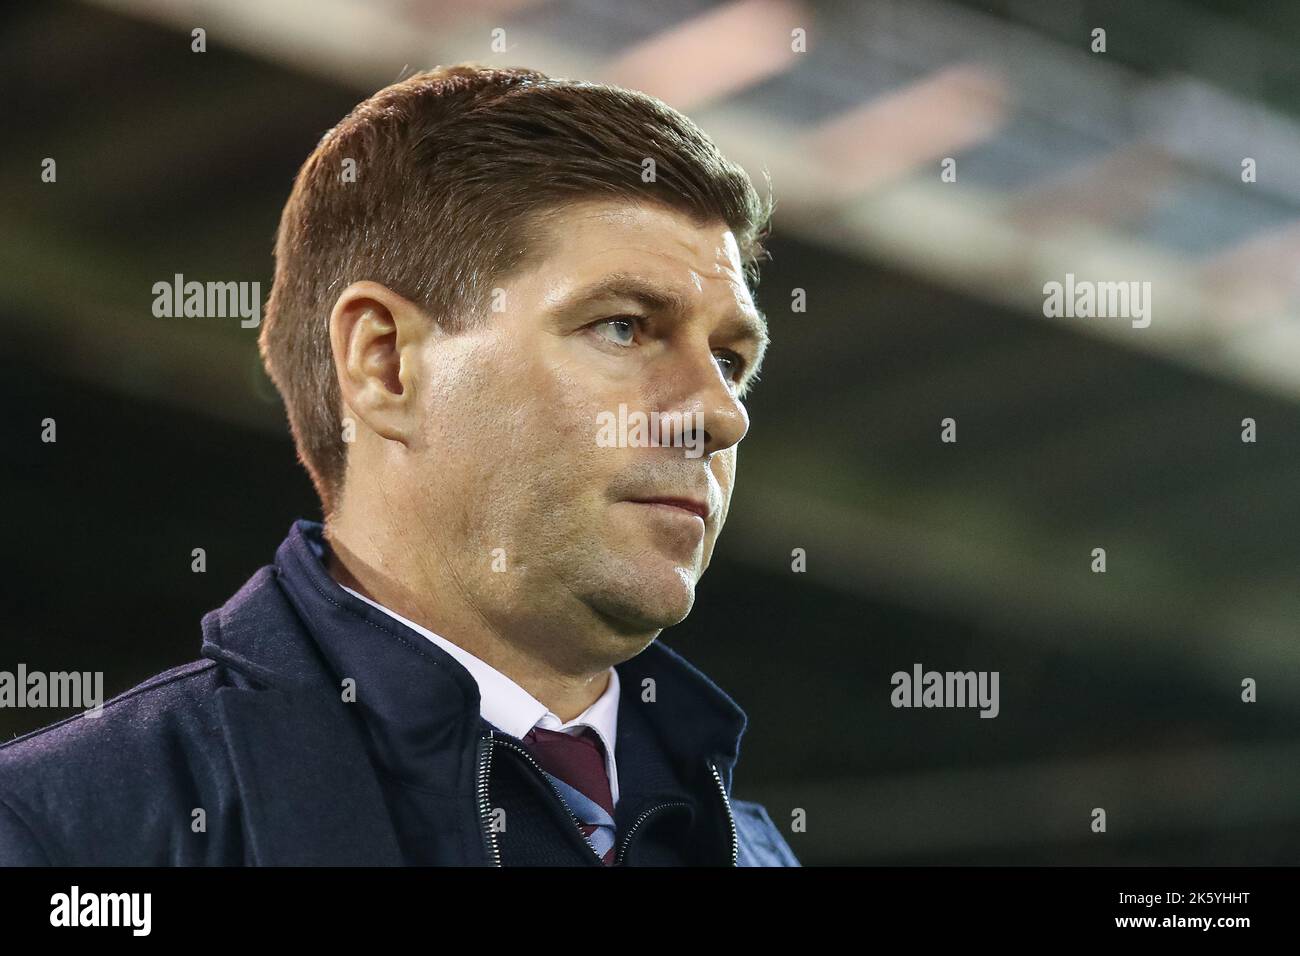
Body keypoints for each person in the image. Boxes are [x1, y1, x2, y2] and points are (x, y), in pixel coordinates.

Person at [0, 64, 798, 866]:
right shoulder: (66, 833)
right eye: (624, 327)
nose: (721, 415)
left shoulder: (755, 853)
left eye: (730, 361)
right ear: (385, 363)